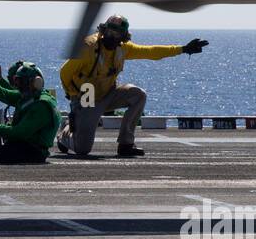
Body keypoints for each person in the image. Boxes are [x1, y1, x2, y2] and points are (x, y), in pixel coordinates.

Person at [57, 14, 207, 157]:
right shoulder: (88, 47)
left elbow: (150, 52)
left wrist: (183, 49)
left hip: (109, 92)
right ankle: (65, 131)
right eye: (109, 31)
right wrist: (72, 94)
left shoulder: (124, 48)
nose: (111, 36)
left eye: (116, 33)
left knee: (138, 95)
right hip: (87, 95)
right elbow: (65, 71)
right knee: (82, 149)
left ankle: (126, 144)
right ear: (103, 29)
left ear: (123, 36)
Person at [0, 61, 60, 164]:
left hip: (32, 151)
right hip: (22, 146)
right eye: (17, 81)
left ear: (35, 83)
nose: (18, 86)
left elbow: (19, 133)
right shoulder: (29, 96)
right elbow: (4, 93)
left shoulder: (41, 105)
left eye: (21, 82)